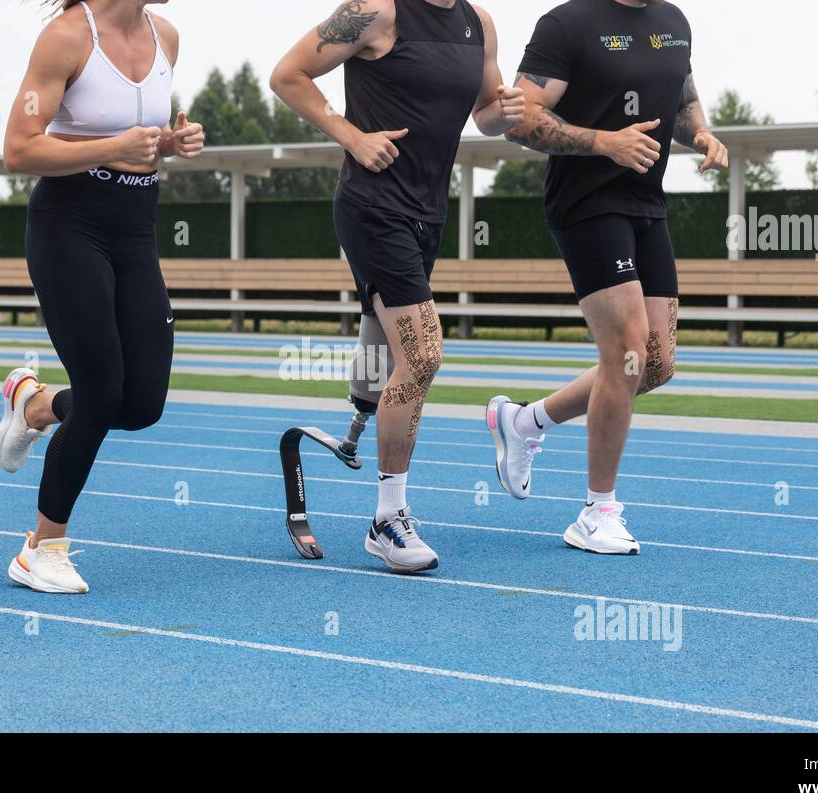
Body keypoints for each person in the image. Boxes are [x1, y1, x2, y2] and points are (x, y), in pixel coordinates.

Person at [271, 0, 525, 574]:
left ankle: (359, 422)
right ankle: (388, 519)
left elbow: (486, 112)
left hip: (426, 214)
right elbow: (287, 74)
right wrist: (352, 136)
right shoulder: (374, 11)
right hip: (372, 206)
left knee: (388, 349)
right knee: (423, 353)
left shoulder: (478, 22)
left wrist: (503, 111)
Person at [487, 0, 728, 555]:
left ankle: (525, 421)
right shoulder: (566, 24)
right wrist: (604, 141)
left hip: (648, 204)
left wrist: (702, 134)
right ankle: (597, 511)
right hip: (587, 203)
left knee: (657, 361)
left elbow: (682, 97)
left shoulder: (674, 22)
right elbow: (518, 121)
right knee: (625, 351)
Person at [0, 0, 204, 594]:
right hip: (69, 226)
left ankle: (34, 405)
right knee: (101, 391)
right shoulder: (65, 37)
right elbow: (19, 149)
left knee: (140, 404)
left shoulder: (166, 35)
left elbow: (141, 142)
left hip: (135, 229)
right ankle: (41, 548)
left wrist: (169, 144)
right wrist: (110, 149)